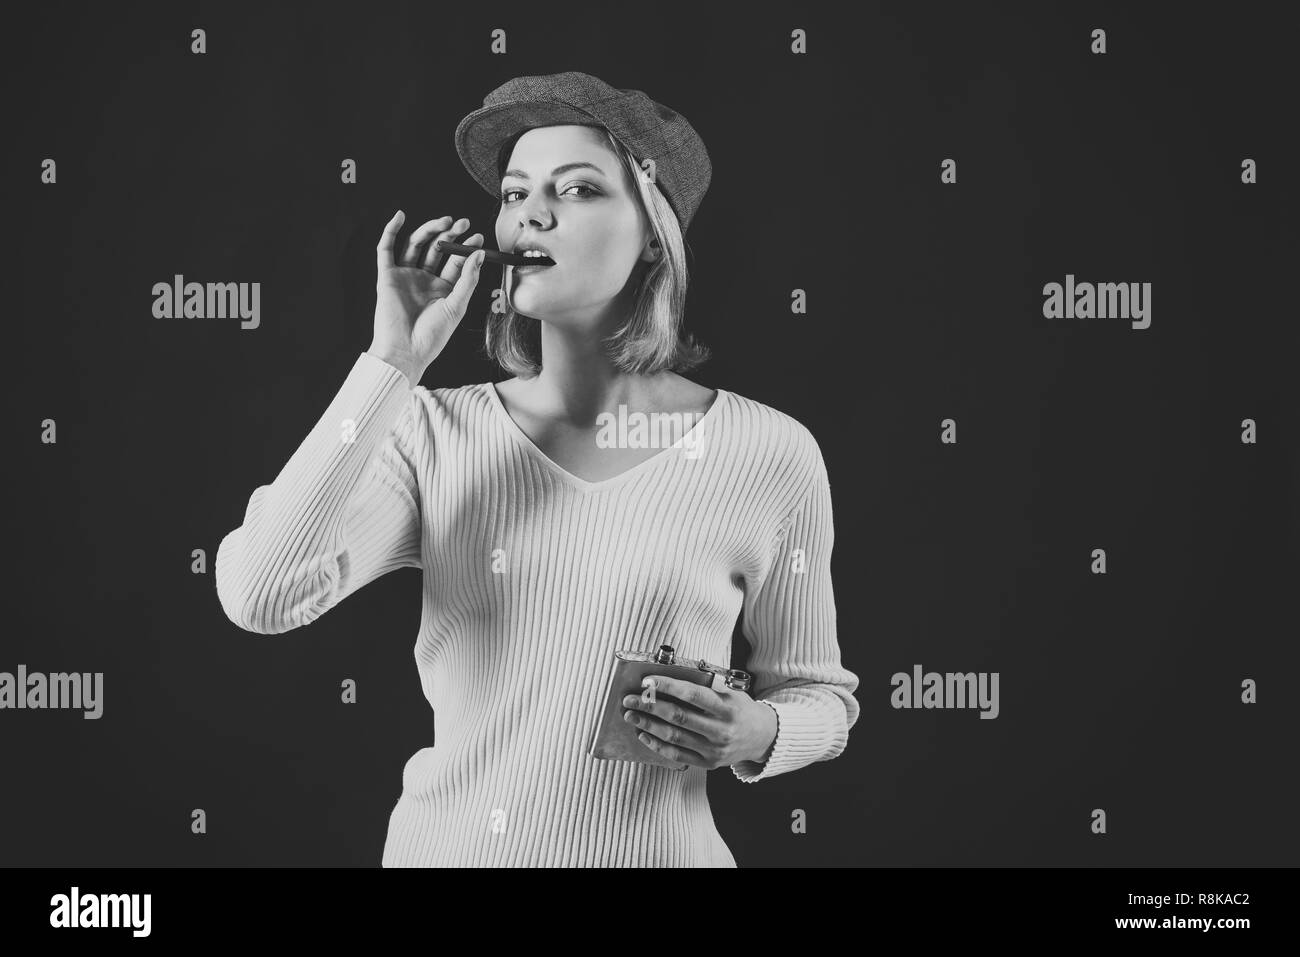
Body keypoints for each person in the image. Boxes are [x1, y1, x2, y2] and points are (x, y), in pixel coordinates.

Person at [215, 72, 860, 867]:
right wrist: (392, 362)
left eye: (579, 189)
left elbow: (820, 696)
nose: (531, 214)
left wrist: (759, 730)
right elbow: (261, 592)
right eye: (516, 193)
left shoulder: (770, 452)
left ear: (655, 235)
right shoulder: (430, 429)